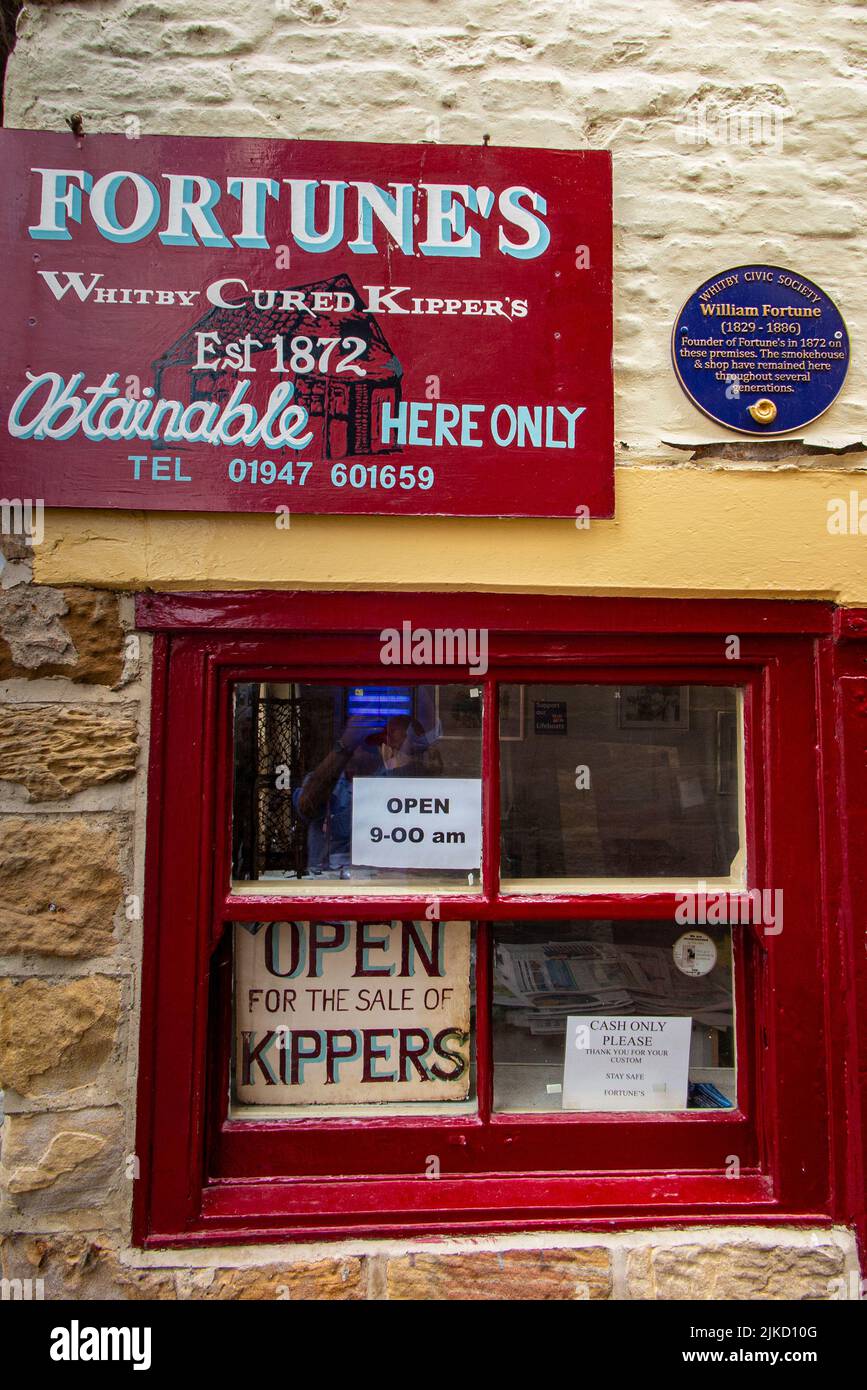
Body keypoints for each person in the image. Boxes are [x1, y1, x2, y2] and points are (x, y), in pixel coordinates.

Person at [292, 692, 442, 875]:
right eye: (360, 742)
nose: (364, 748)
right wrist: (345, 745)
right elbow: (307, 807)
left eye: (374, 740)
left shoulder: (390, 781)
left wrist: (402, 757)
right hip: (328, 884)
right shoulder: (326, 782)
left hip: (382, 883)